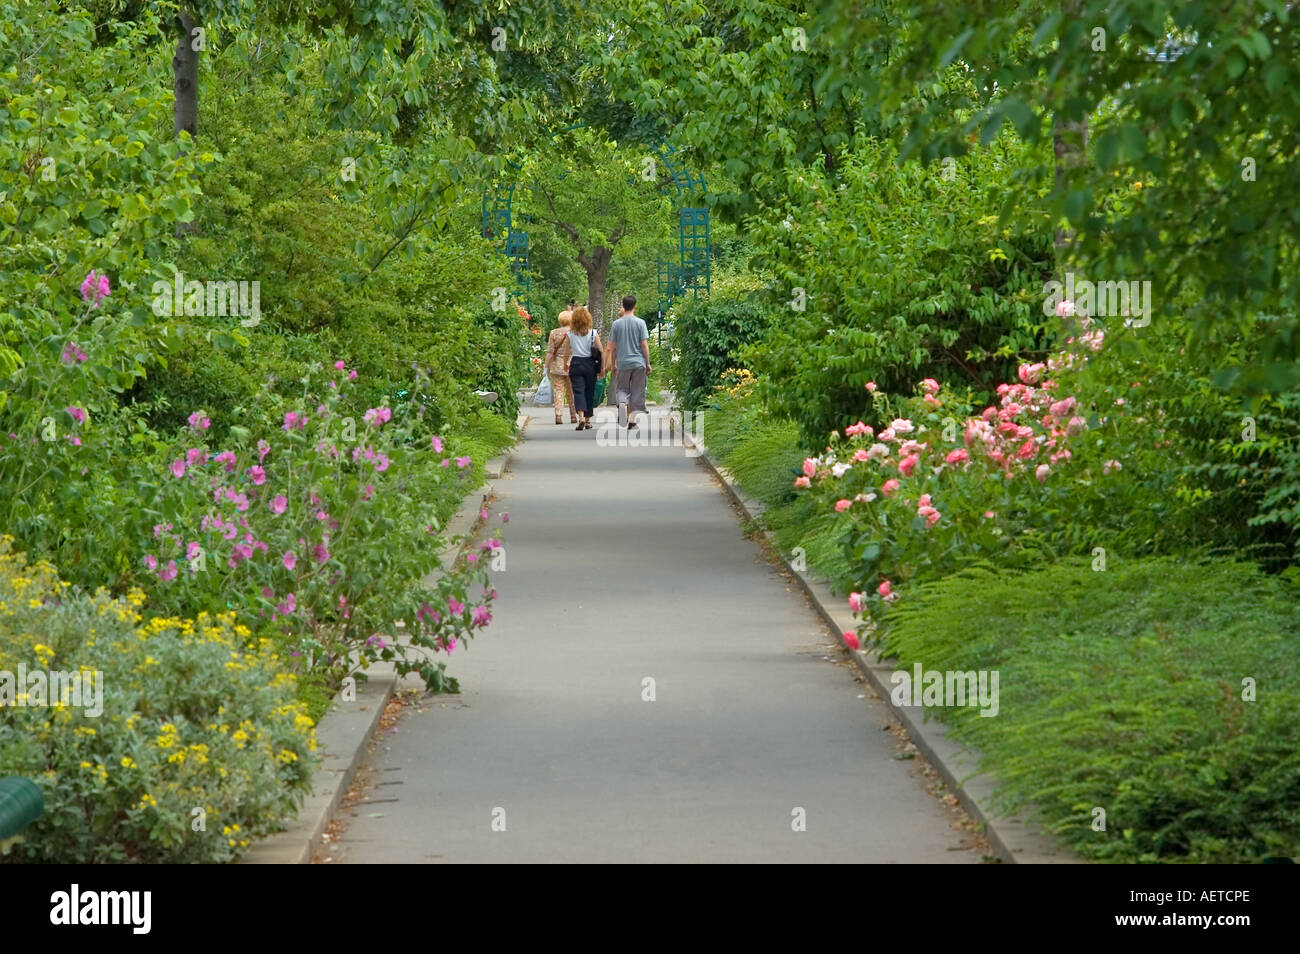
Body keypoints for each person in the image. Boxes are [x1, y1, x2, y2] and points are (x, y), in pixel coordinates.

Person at [608, 293, 650, 431]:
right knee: (637, 391)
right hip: (638, 362)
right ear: (635, 306)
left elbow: (612, 347)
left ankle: (621, 404)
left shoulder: (616, 324)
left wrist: (613, 363)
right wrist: (648, 362)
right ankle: (632, 421)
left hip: (623, 363)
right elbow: (644, 344)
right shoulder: (640, 323)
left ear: (623, 306)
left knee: (622, 388)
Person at [565, 305, 604, 431]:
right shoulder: (593, 333)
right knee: (589, 391)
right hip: (589, 365)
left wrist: (566, 363)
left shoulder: (570, 334)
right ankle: (587, 421)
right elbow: (600, 350)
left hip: (576, 363)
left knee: (578, 391)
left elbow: (566, 351)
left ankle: (581, 417)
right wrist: (602, 367)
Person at [544, 309, 576, 424]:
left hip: (557, 366)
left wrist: (546, 366)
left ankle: (558, 415)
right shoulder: (574, 332)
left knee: (558, 391)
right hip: (572, 365)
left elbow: (550, 351)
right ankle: (573, 415)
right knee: (571, 391)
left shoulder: (554, 333)